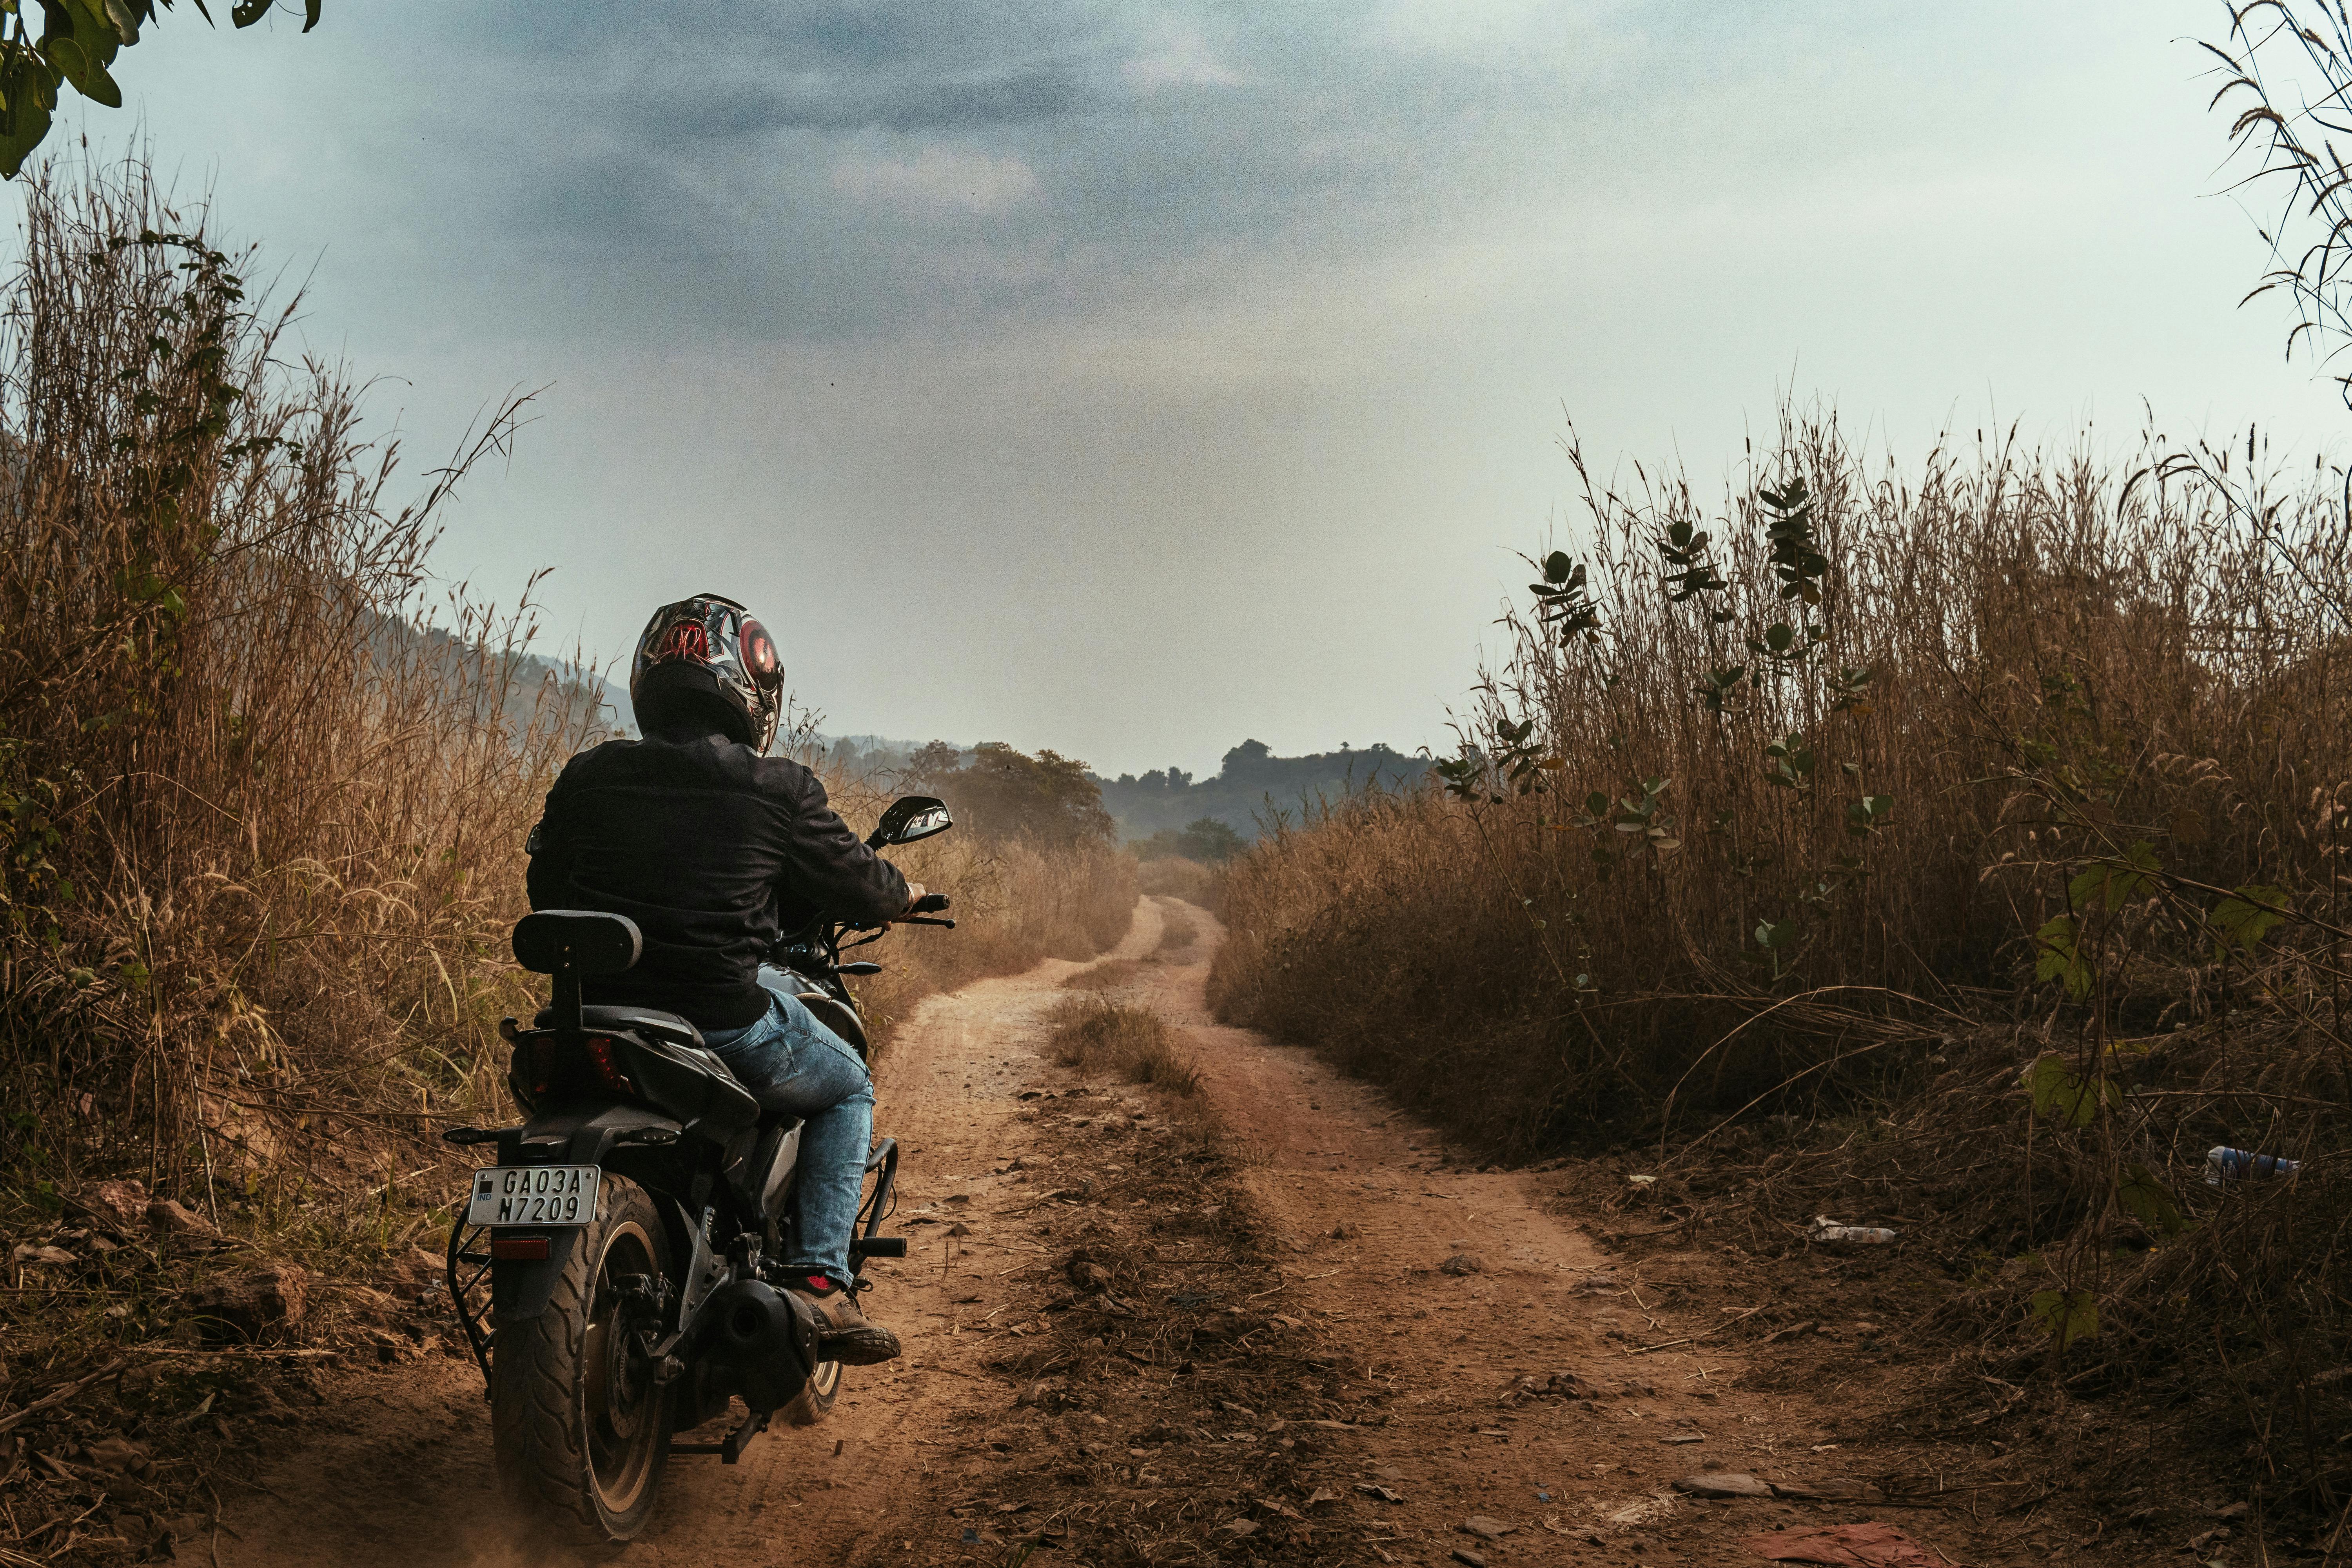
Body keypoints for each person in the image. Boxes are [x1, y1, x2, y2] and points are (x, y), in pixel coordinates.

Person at [523, 593, 916, 1365]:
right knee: (849, 1086)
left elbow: (547, 890)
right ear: (749, 691)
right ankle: (822, 1284)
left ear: (649, 675)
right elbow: (863, 884)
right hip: (720, 1022)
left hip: (586, 1016)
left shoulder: (588, 774)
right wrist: (904, 895)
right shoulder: (778, 788)